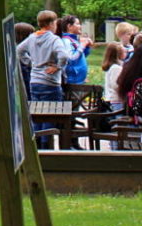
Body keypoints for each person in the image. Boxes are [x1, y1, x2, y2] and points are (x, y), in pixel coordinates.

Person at [17, 10, 78, 146]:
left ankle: (36, 144)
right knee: (50, 114)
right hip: (50, 82)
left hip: (35, 82)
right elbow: (64, 56)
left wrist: (31, 63)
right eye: (55, 23)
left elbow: (19, 50)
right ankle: (46, 144)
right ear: (51, 23)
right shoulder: (54, 39)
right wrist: (57, 67)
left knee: (37, 114)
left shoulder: (32, 37)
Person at [57, 14, 93, 92]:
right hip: (73, 81)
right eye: (77, 24)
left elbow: (81, 55)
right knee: (73, 103)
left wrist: (86, 47)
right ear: (69, 26)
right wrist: (82, 45)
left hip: (79, 80)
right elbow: (71, 59)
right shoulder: (66, 41)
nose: (80, 26)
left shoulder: (74, 40)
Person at [99, 41, 126, 137]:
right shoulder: (116, 68)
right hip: (116, 100)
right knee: (118, 124)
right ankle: (116, 146)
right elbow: (116, 85)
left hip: (114, 99)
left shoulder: (116, 67)